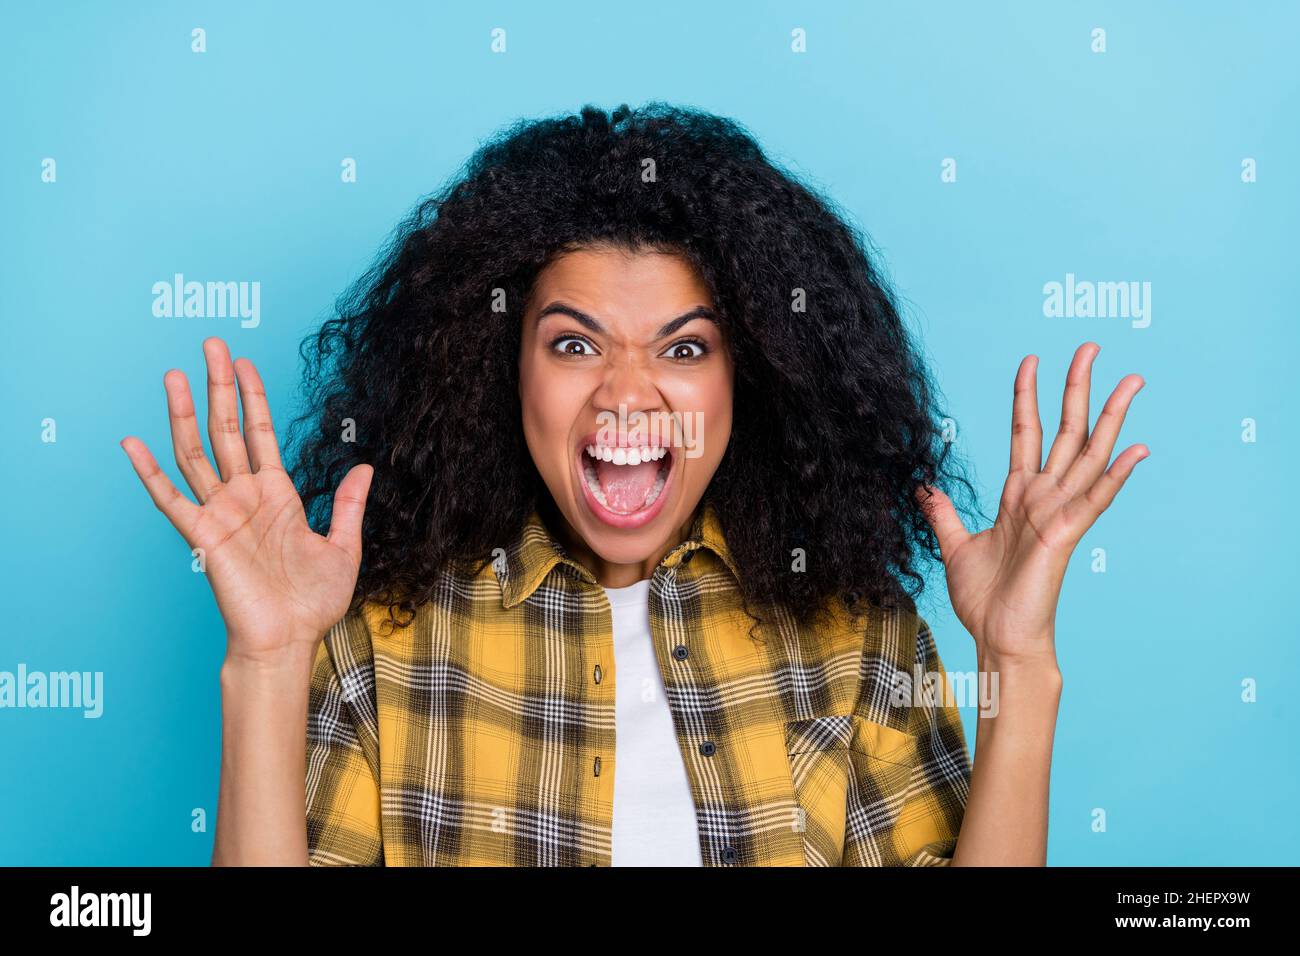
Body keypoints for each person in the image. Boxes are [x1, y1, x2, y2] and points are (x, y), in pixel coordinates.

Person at [119, 103, 1147, 866]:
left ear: (754, 377)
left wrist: (1020, 659)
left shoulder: (855, 635)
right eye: (574, 343)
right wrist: (266, 661)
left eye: (684, 348)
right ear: (500, 367)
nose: (626, 395)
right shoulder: (382, 638)